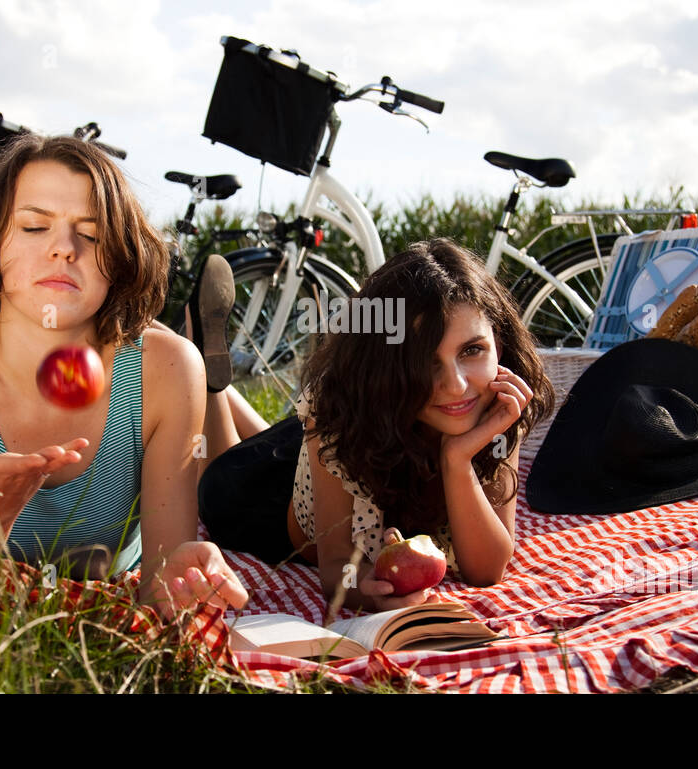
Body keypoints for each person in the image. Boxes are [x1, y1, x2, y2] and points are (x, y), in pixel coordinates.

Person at [0, 133, 247, 620]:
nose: (64, 249)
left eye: (92, 234)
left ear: (118, 259)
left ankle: (218, 391)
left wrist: (181, 580)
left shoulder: (168, 368)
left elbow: (160, 587)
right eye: (34, 226)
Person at [198, 239, 553, 612]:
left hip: (332, 443)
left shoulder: (495, 405)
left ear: (498, 341)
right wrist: (365, 592)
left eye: (471, 350)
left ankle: (220, 381)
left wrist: (457, 460)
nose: (457, 385)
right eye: (425, 361)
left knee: (294, 438)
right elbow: (335, 566)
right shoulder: (338, 417)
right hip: (269, 494)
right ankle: (210, 380)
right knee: (215, 473)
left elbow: (486, 569)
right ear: (387, 365)